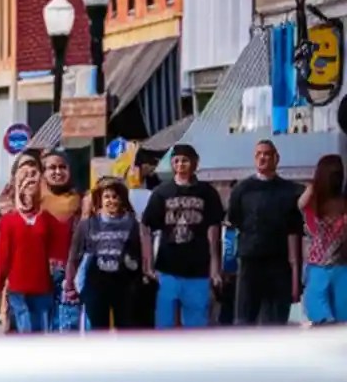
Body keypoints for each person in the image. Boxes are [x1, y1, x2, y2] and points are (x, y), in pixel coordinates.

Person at [140, 143, 224, 329]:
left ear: (195, 163)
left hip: (198, 270)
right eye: (176, 160)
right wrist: (148, 265)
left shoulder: (207, 193)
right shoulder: (161, 192)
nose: (180, 164)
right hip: (167, 268)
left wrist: (215, 268)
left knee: (196, 326)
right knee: (165, 324)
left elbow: (214, 232)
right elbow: (146, 227)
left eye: (185, 160)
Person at [227, 139, 304, 326]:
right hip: (250, 259)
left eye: (267, 154)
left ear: (276, 158)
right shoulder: (242, 188)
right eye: (259, 154)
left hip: (279, 262)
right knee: (244, 318)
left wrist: (295, 274)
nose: (263, 157)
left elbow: (294, 231)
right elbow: (235, 218)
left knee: (276, 319)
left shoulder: (289, 190)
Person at [0, 153, 61, 333]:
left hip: (43, 285)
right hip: (18, 287)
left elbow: (60, 248)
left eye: (34, 173)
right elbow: (3, 254)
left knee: (39, 335)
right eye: (24, 174)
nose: (30, 178)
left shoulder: (46, 217)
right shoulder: (8, 218)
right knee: (26, 333)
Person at [65, 178, 143, 331]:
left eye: (115, 197)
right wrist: (69, 284)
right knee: (98, 329)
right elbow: (73, 257)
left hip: (124, 285)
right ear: (100, 199)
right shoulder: (86, 225)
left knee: (126, 328)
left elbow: (141, 255)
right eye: (107, 197)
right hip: (96, 285)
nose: (111, 201)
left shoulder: (133, 224)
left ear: (122, 199)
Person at [298, 154, 347, 324]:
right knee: (325, 313)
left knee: (334, 313)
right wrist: (312, 188)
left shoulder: (335, 202)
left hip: (332, 265)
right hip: (324, 266)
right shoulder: (314, 200)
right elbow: (301, 204)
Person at [40, 150, 83, 331]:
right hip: (39, 272)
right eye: (52, 168)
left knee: (67, 326)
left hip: (70, 272)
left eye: (62, 167)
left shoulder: (80, 201)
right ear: (43, 173)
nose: (58, 172)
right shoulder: (33, 200)